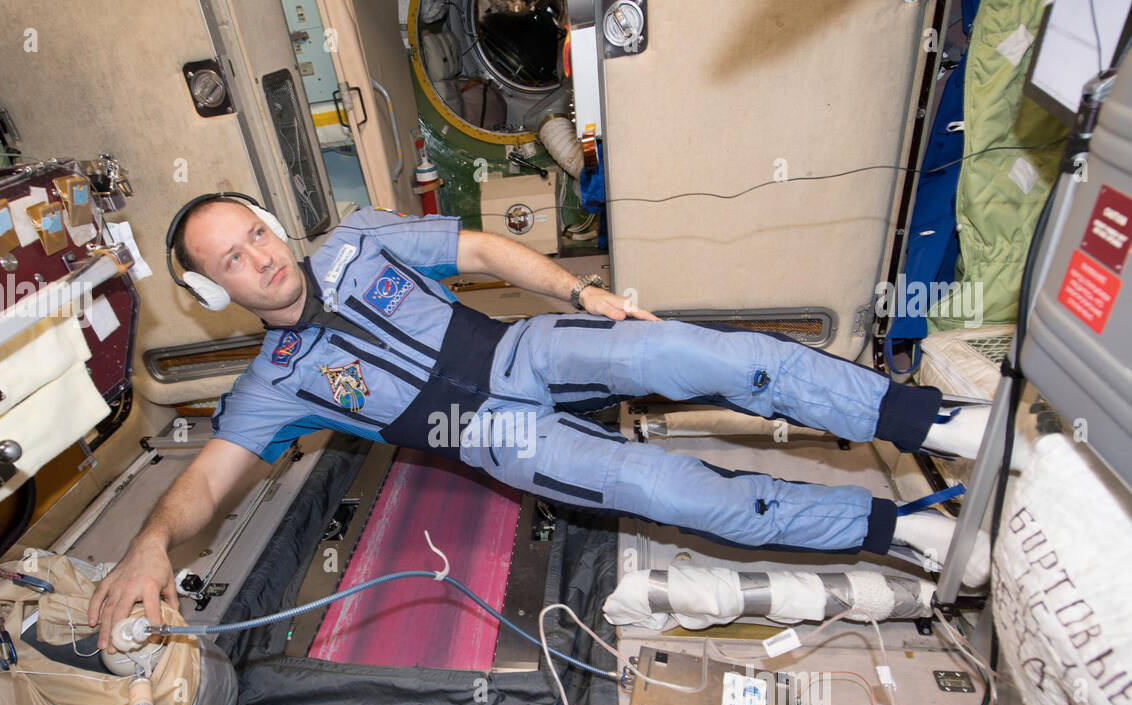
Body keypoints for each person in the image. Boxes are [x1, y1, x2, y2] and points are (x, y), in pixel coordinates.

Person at [88, 197, 992, 647]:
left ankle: (933, 420)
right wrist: (149, 547)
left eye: (253, 235)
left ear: (273, 223)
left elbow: (475, 248)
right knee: (684, 494)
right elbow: (204, 482)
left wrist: (583, 290)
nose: (259, 259)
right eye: (231, 264)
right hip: (496, 443)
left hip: (527, 350)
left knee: (716, 359)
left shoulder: (360, 241)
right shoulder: (270, 385)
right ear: (218, 293)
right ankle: (899, 525)